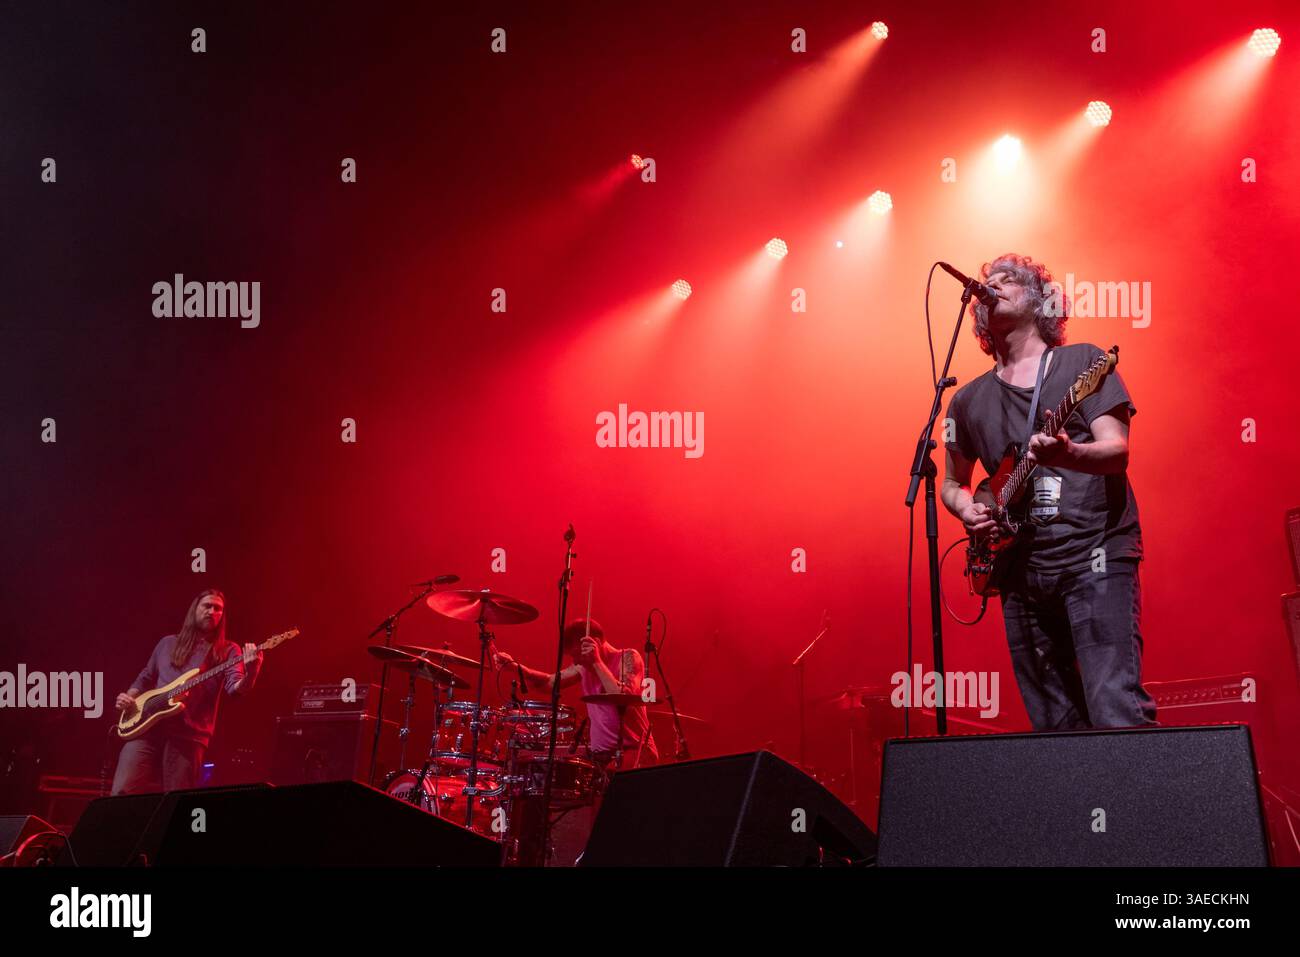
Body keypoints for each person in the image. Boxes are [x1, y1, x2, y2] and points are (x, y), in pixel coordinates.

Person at [940, 253, 1157, 731]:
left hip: (1093, 553)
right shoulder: (965, 400)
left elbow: (1117, 452)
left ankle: (1143, 783)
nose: (993, 286)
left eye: (1008, 281)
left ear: (1040, 301)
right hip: (1018, 570)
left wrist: (1068, 454)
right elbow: (952, 483)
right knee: (1054, 725)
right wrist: (968, 510)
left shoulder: (1083, 362)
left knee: (1114, 707)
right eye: (990, 282)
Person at [111, 589, 263, 793]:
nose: (212, 611)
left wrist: (252, 672)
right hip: (146, 727)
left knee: (176, 799)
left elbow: (235, 689)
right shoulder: (167, 643)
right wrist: (129, 697)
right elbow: (145, 677)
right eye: (207, 606)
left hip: (188, 736)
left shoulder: (228, 650)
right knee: (122, 791)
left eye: (218, 609)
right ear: (194, 609)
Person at [494, 617, 657, 770]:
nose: (575, 661)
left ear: (595, 643)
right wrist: (517, 668)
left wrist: (596, 662)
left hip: (635, 751)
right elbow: (549, 684)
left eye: (577, 654)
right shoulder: (582, 667)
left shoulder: (628, 657)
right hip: (602, 756)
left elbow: (623, 697)